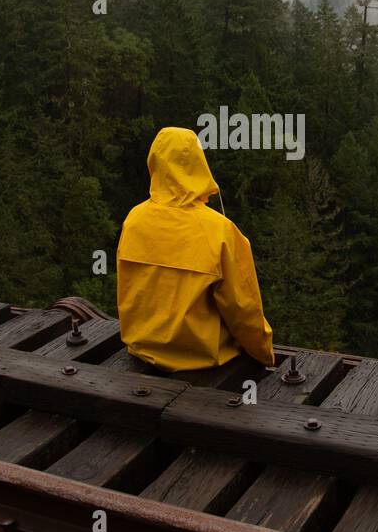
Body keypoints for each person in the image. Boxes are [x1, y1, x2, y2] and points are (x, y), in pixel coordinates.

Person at [116, 126, 275, 372]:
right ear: (199, 164)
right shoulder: (220, 230)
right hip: (203, 363)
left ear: (154, 163)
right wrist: (264, 353)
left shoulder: (133, 220)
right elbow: (243, 309)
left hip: (142, 352)